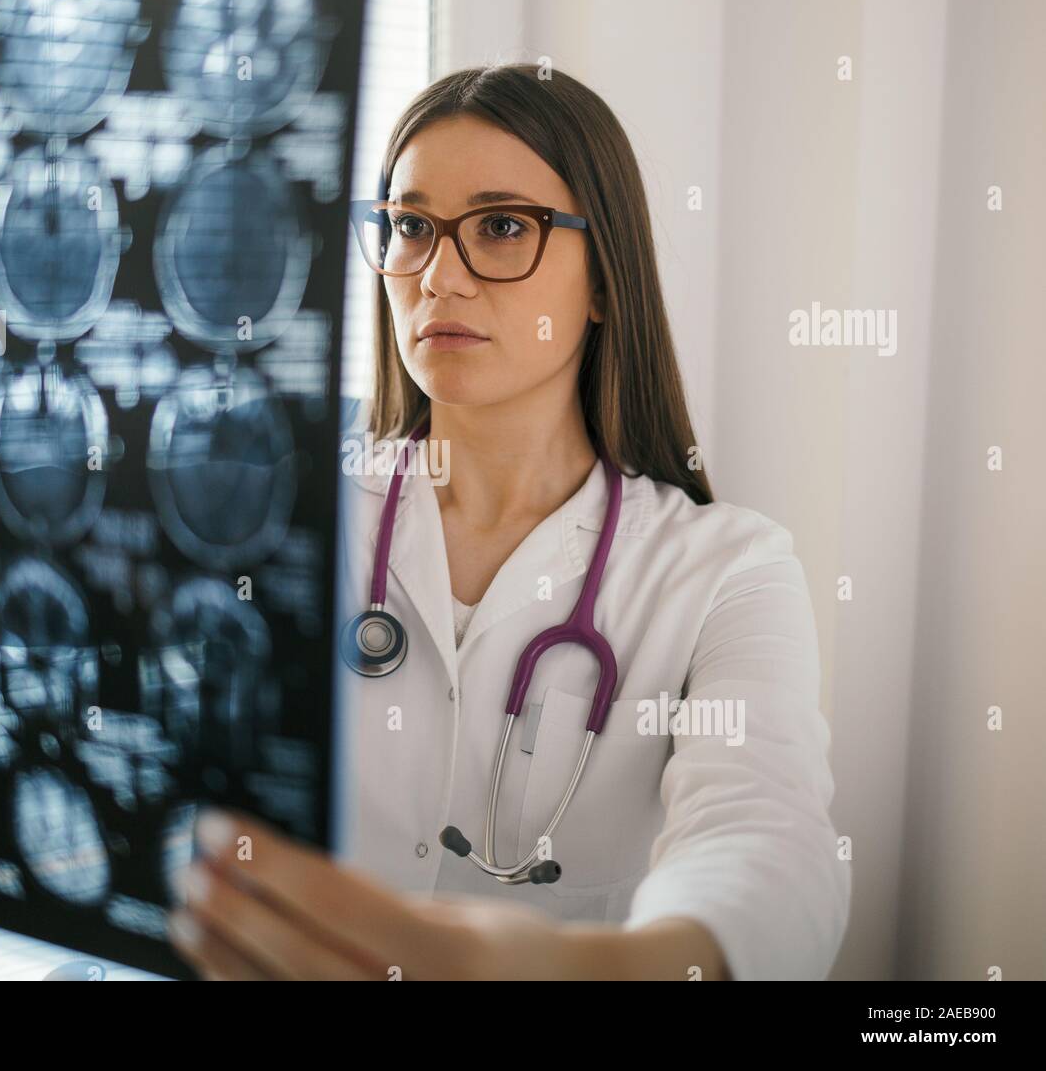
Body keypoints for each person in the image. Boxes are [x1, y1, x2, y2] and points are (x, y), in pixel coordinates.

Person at [167, 63, 851, 980]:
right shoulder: (274, 517)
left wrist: (581, 973)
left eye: (500, 227)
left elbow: (769, 846)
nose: (439, 275)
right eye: (410, 227)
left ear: (606, 277)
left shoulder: (727, 571)